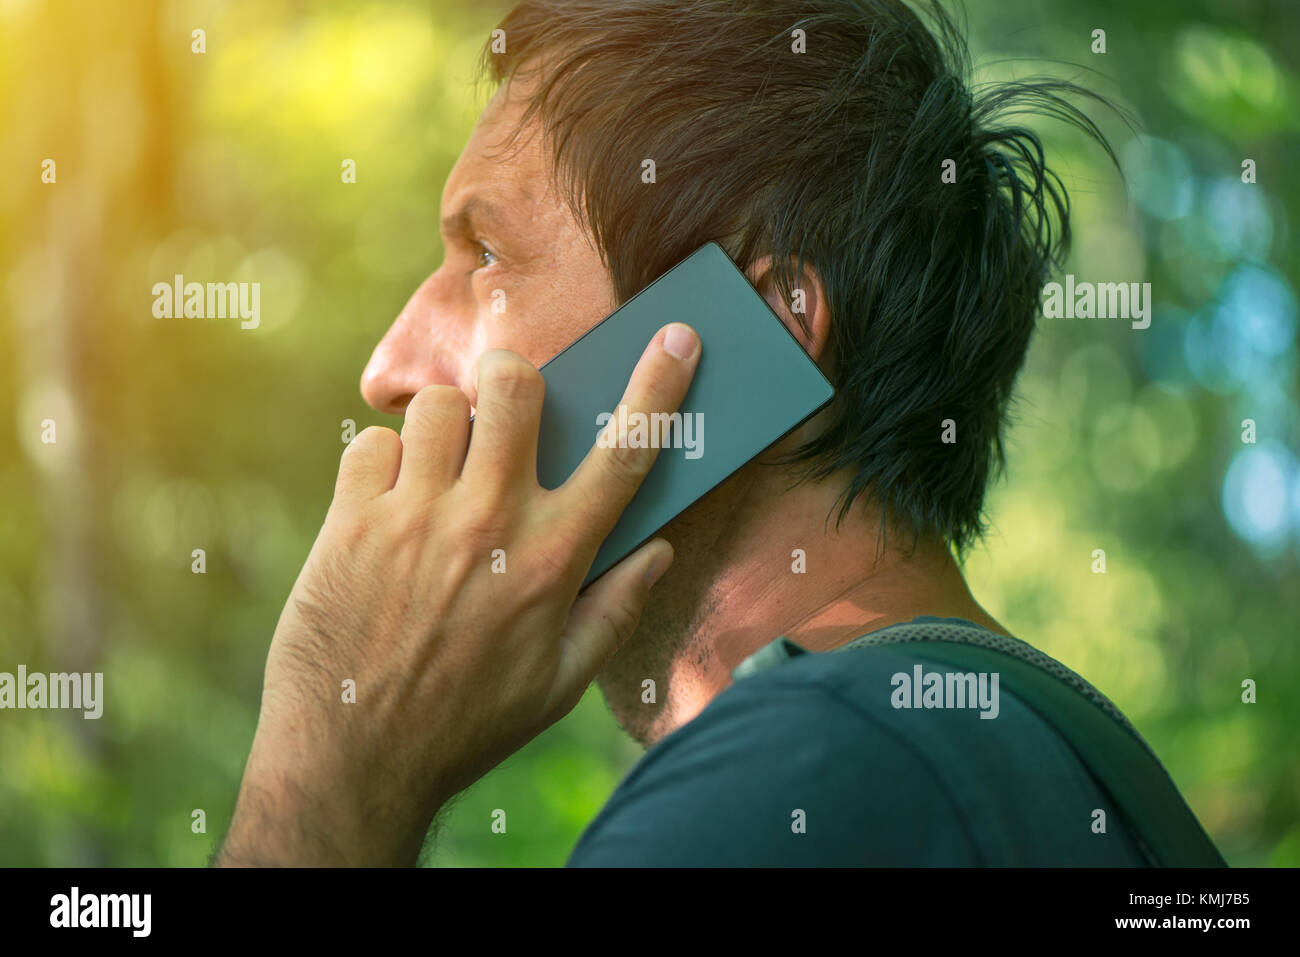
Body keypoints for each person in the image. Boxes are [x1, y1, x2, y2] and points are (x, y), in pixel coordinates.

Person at [216, 0, 1220, 866]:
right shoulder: (1082, 771)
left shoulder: (803, 772)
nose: (388, 370)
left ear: (767, 327)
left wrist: (330, 775)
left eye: (486, 253)